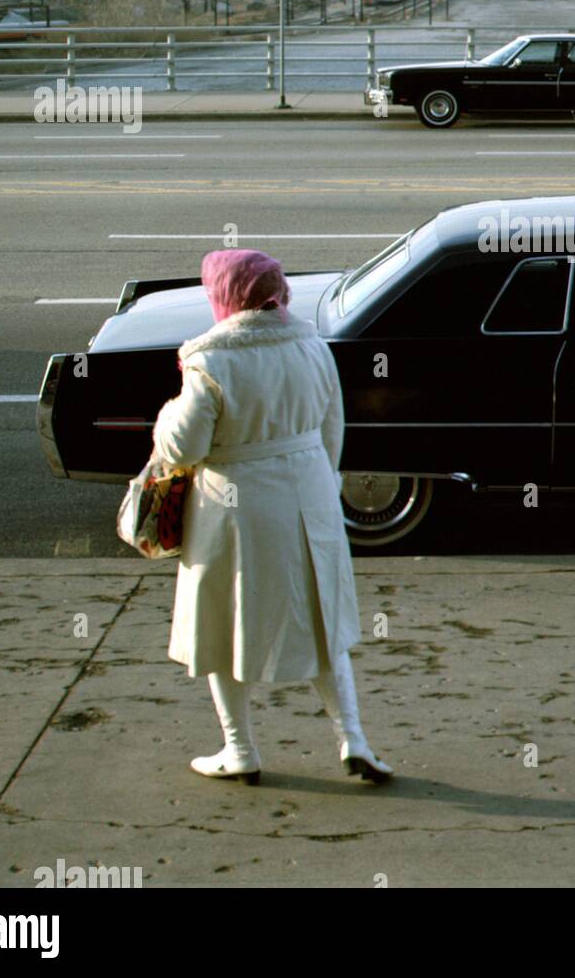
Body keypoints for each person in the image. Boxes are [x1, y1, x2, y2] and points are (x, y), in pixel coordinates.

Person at [151, 248, 392, 787]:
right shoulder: (311, 343)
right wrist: (319, 484)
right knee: (323, 618)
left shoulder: (209, 360)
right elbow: (334, 429)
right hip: (310, 494)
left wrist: (166, 416)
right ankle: (353, 738)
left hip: (235, 505)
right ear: (277, 291)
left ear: (223, 295)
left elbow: (184, 446)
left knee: (220, 621)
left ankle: (240, 749)